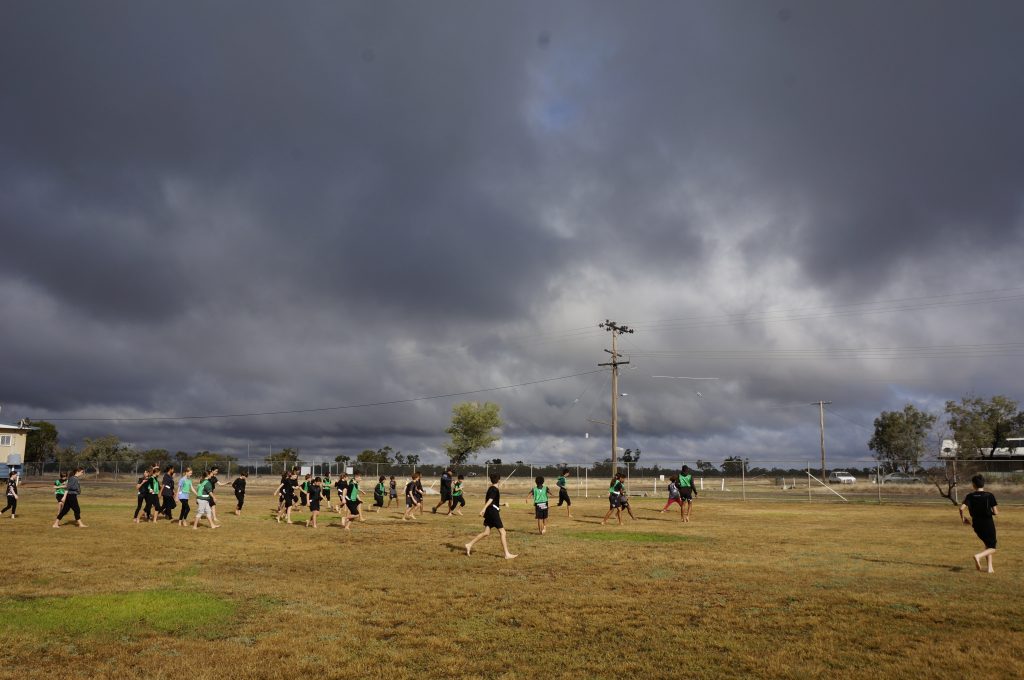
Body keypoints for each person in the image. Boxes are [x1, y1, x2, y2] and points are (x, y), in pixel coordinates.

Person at [465, 473, 517, 559]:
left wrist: (503, 504)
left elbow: (493, 502)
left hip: (490, 511)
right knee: (503, 532)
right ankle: (507, 554)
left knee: (486, 532)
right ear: (499, 480)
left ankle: (469, 544)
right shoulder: (494, 489)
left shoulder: (491, 488)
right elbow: (490, 500)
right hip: (492, 512)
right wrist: (483, 509)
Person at [960, 474, 999, 573]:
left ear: (973, 485)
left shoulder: (970, 496)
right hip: (987, 523)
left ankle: (990, 568)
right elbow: (996, 512)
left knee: (987, 544)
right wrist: (991, 512)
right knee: (992, 548)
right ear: (983, 484)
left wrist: (963, 519)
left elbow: (961, 508)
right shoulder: (989, 495)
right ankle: (978, 556)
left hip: (976, 524)